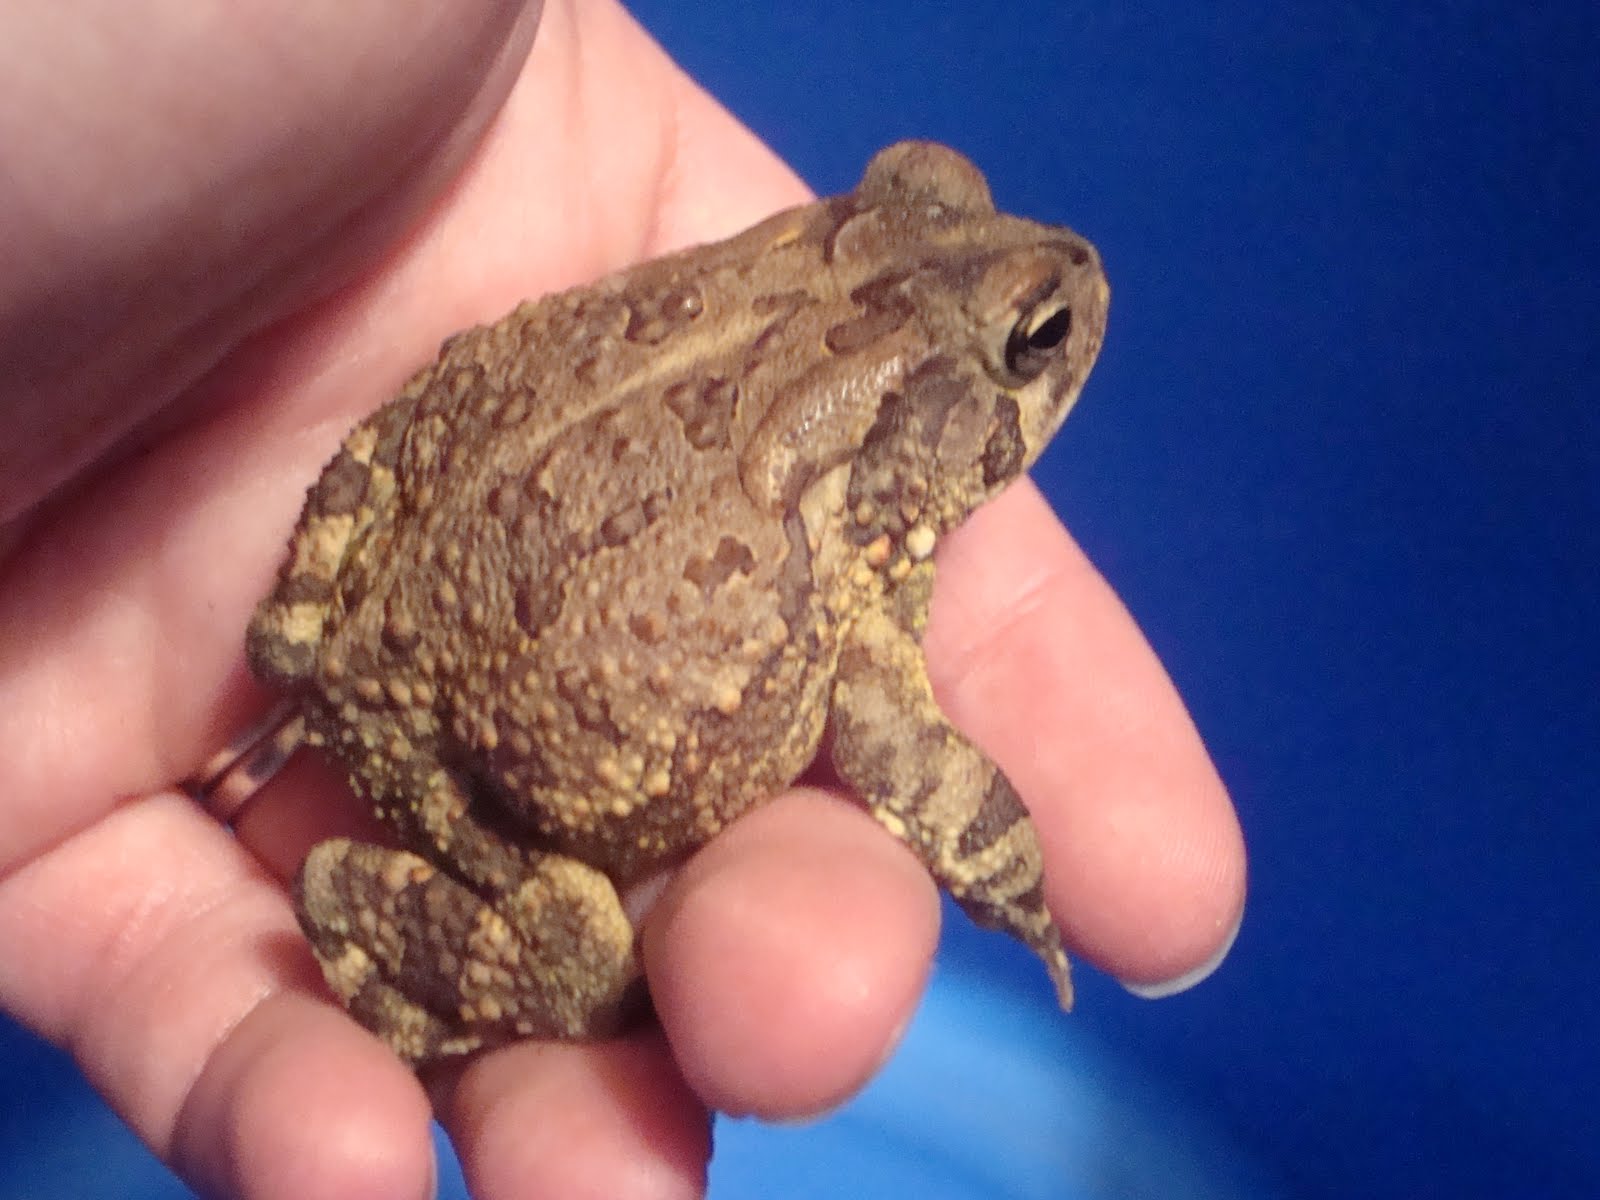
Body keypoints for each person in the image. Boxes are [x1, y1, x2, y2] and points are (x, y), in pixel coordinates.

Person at [0, 4, 1246, 1197]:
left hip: (387, 557)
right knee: (595, 956)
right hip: (472, 771)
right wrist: (1014, 873)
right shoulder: (863, 575)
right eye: (1033, 342)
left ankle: (323, 672)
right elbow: (895, 746)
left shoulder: (834, 454)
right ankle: (371, 913)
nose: (1070, 284)